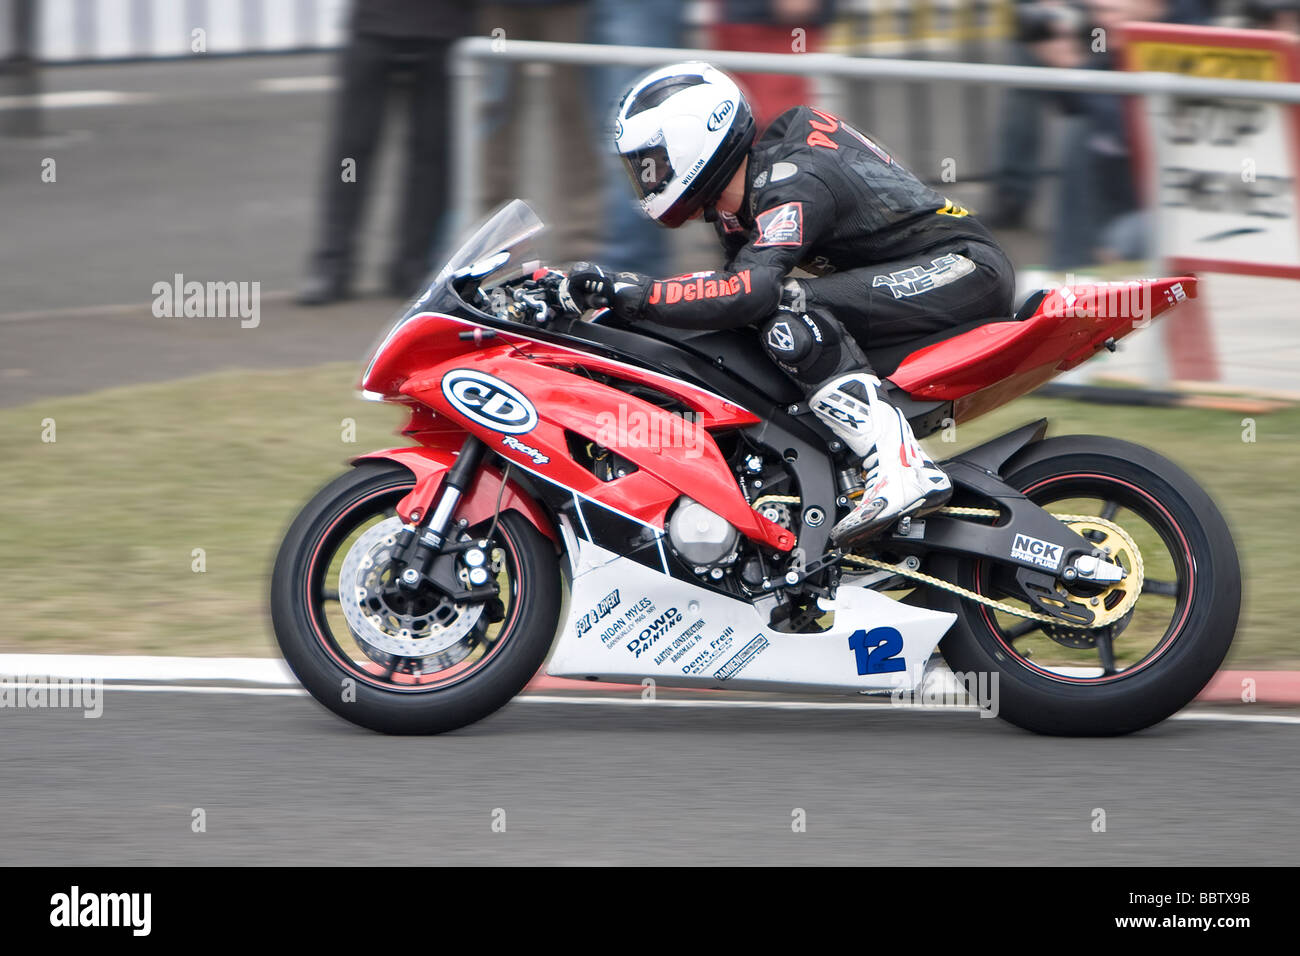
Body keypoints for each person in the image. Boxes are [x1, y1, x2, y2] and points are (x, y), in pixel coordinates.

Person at [558, 63, 1016, 544]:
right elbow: (724, 298)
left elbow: (750, 292)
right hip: (919, 278)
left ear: (693, 140)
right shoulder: (742, 204)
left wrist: (635, 292)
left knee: (785, 309)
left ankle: (902, 468)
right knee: (757, 331)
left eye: (653, 161)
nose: (647, 177)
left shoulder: (795, 176)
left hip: (965, 269)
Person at [299, 0, 472, 305]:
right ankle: (333, 263)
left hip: (443, 28)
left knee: (432, 154)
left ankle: (411, 265)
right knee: (352, 151)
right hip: (375, 24)